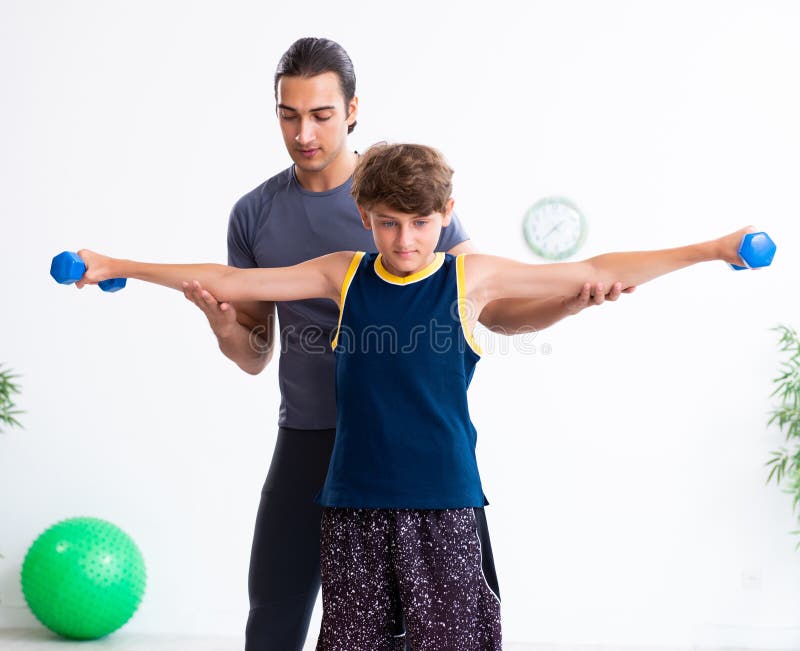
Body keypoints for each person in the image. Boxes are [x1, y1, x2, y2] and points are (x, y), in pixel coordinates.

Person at [74, 142, 757, 651]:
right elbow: (234, 278)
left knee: (456, 639)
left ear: (446, 215)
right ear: (364, 216)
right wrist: (121, 268)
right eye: (389, 223)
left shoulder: (469, 276)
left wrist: (713, 248)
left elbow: (596, 267)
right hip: (353, 506)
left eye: (422, 223)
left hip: (444, 503)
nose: (406, 240)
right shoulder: (343, 274)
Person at [179, 37, 632, 651]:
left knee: (426, 626)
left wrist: (565, 304)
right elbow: (254, 354)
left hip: (410, 448)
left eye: (321, 115)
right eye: (289, 115)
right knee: (276, 613)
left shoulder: (405, 200)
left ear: (353, 110)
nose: (304, 132)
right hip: (310, 434)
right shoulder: (255, 214)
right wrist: (222, 321)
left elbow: (487, 315)